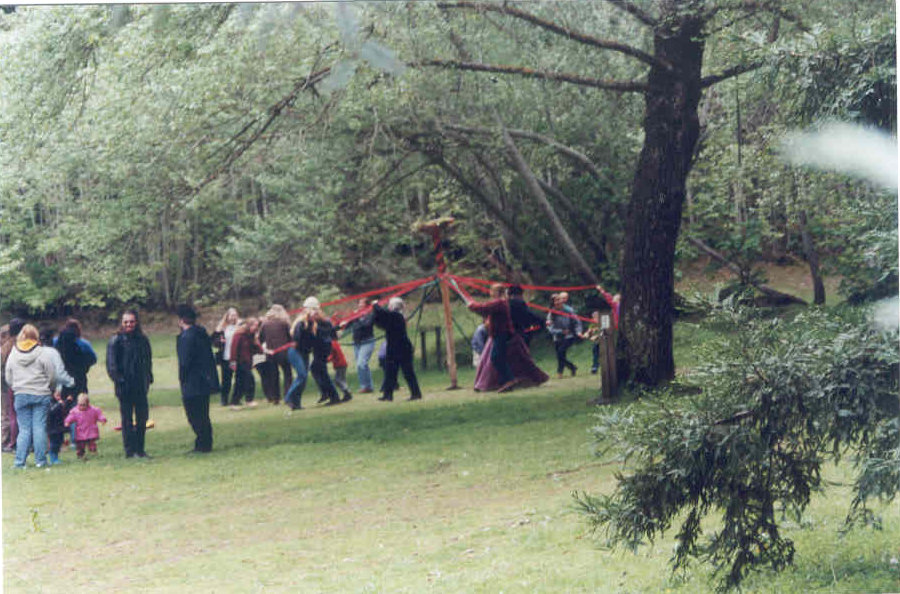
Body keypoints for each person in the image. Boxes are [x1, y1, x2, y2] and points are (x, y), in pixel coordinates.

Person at [5, 324, 67, 468]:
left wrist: (15, 387)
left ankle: (20, 462)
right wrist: (50, 388)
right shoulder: (41, 352)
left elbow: (8, 375)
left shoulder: (14, 352)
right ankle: (40, 461)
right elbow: (51, 374)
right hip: (41, 394)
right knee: (39, 427)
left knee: (24, 429)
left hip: (20, 394)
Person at [106, 310, 153, 458]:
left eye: (131, 321)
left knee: (142, 419)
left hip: (140, 385)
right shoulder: (116, 340)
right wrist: (119, 380)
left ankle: (140, 449)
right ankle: (129, 450)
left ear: (136, 322)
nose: (129, 324)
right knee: (126, 420)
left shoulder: (143, 340)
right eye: (126, 322)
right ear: (122, 323)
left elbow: (148, 361)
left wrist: (148, 378)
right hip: (124, 386)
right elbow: (111, 364)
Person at [176, 305, 219, 453]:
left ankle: (202, 444)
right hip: (204, 380)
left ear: (181, 320)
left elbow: (184, 361)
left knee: (194, 415)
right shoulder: (202, 334)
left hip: (192, 381)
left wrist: (182, 378)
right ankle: (205, 442)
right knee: (203, 413)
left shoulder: (186, 337)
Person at [467, 284, 518, 392]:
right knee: (498, 357)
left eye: (492, 290)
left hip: (501, 333)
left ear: (497, 292)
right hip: (499, 333)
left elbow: (484, 308)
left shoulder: (499, 302)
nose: (490, 292)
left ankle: (509, 380)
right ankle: (505, 381)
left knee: (496, 357)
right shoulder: (500, 302)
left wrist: (472, 306)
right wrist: (474, 306)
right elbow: (485, 309)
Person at [372, 297, 422, 402]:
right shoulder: (393, 317)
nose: (388, 306)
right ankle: (387, 395)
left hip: (402, 349)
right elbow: (379, 321)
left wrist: (375, 304)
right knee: (390, 373)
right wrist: (375, 311)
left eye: (390, 304)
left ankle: (416, 393)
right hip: (394, 348)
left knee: (408, 372)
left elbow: (382, 313)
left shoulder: (397, 316)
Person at [298, 298, 341, 406]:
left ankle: (333, 396)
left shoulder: (320, 321)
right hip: (320, 348)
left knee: (321, 371)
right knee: (316, 369)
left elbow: (324, 333)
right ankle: (326, 393)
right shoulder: (319, 320)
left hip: (323, 348)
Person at [257, 305, 293, 405]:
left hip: (270, 353)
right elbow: (290, 337)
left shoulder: (265, 324)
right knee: (287, 374)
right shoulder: (284, 323)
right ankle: (288, 395)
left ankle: (276, 397)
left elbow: (260, 339)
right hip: (284, 352)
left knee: (274, 375)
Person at [546, 292, 583, 379]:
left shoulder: (569, 310)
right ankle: (571, 368)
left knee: (560, 352)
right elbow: (550, 328)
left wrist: (579, 332)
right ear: (553, 302)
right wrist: (560, 332)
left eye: (559, 299)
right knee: (561, 355)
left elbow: (577, 322)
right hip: (557, 337)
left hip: (569, 336)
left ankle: (560, 372)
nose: (558, 302)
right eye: (556, 300)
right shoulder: (551, 313)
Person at [229, 318, 261, 409]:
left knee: (241, 382)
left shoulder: (251, 335)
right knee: (249, 380)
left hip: (248, 362)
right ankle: (248, 400)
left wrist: (257, 343)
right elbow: (233, 349)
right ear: (249, 325)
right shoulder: (239, 335)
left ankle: (235, 401)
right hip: (240, 362)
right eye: (255, 325)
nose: (256, 328)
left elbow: (258, 350)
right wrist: (233, 362)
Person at [346, 298, 376, 394]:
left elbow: (366, 325)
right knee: (362, 365)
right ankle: (368, 386)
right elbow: (348, 325)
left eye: (361, 304)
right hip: (357, 342)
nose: (359, 306)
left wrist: (357, 317)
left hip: (367, 341)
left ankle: (365, 386)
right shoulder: (356, 315)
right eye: (359, 304)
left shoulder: (371, 314)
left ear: (367, 306)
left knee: (361, 363)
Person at [64, 394, 107, 460]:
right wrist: (67, 422)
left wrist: (102, 419)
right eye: (80, 405)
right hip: (80, 432)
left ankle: (93, 453)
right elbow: (70, 417)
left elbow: (99, 414)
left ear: (88, 403)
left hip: (91, 431)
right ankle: (80, 455)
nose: (81, 407)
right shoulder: (75, 411)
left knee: (92, 444)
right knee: (80, 445)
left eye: (84, 405)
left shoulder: (93, 410)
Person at [284, 310, 312, 410]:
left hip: (305, 352)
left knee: (303, 379)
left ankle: (296, 403)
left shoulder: (313, 325)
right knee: (302, 374)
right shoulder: (301, 324)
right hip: (295, 351)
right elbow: (297, 336)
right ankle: (288, 397)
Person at [212, 308, 239, 407]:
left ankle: (236, 399)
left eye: (235, 315)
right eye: (231, 315)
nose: (233, 317)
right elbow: (214, 342)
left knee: (239, 378)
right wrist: (220, 340)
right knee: (226, 379)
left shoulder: (239, 327)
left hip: (236, 358)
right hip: (226, 357)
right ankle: (224, 399)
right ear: (227, 316)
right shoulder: (223, 328)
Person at [328, 334, 353, 402]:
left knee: (338, 380)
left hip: (340, 365)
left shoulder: (332, 344)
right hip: (342, 364)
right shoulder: (335, 343)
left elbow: (333, 355)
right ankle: (346, 393)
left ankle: (347, 392)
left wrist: (327, 359)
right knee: (342, 379)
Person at [46, 392, 68, 465]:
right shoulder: (50, 403)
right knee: (53, 444)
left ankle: (55, 457)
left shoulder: (60, 403)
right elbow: (51, 411)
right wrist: (59, 404)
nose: (59, 397)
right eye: (57, 395)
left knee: (58, 443)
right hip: (53, 428)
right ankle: (53, 458)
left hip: (59, 427)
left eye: (60, 396)